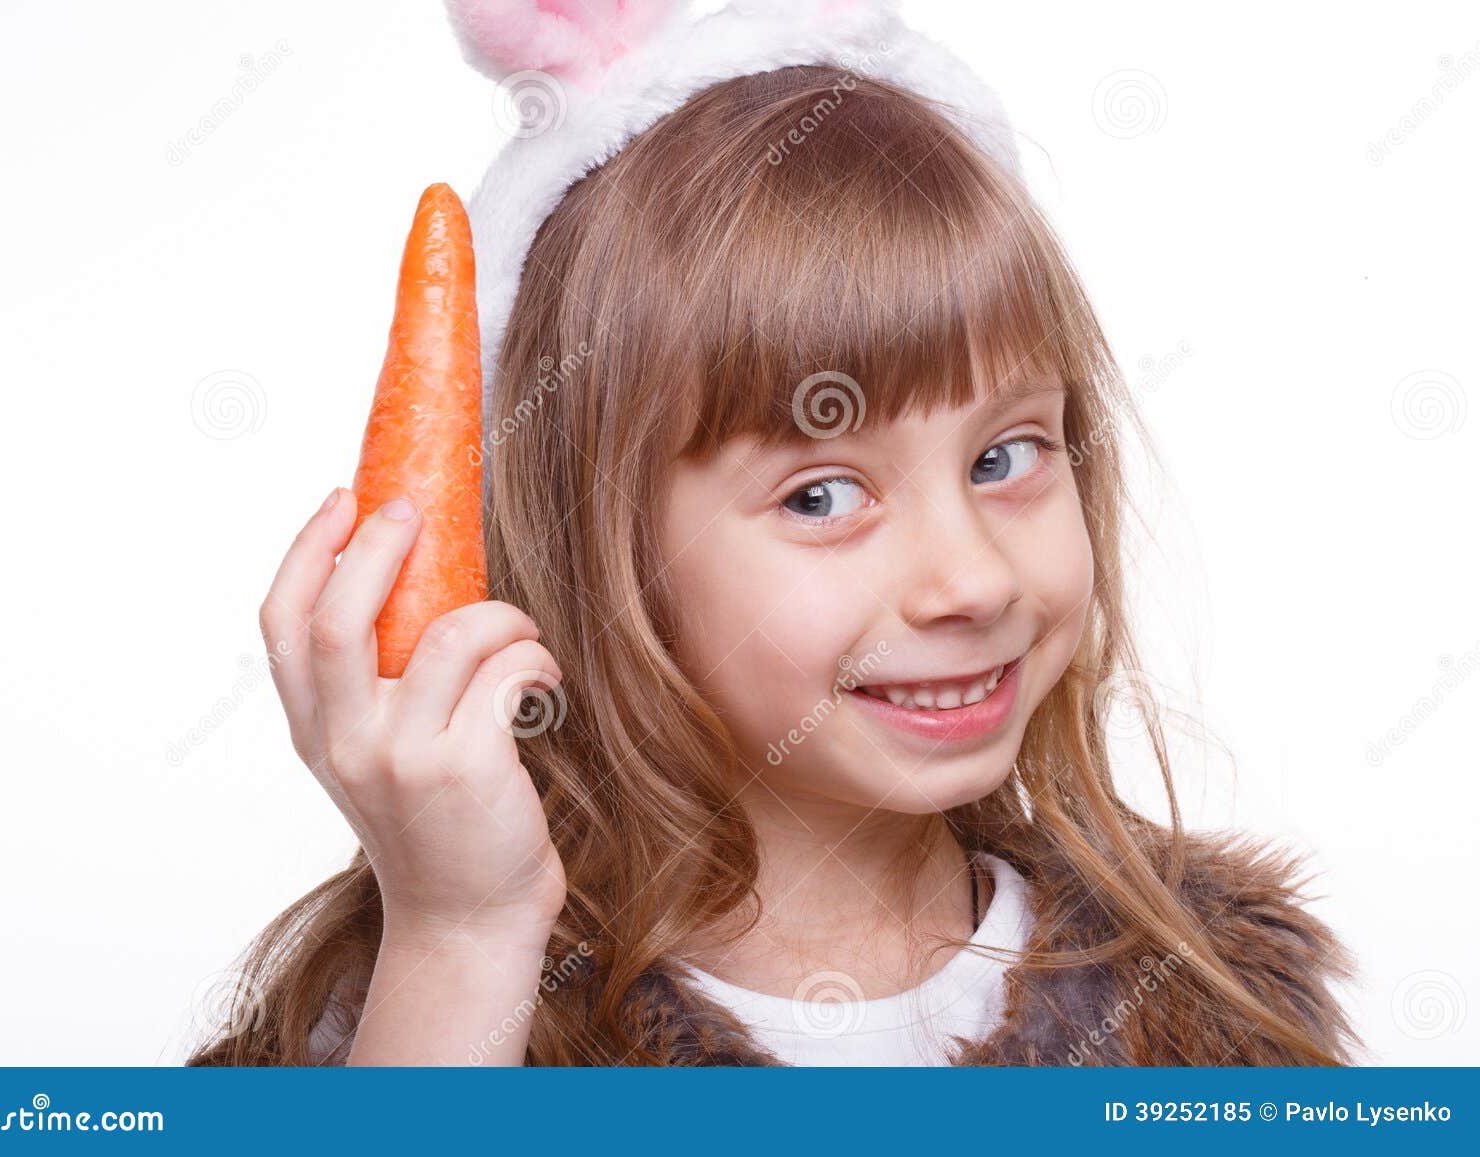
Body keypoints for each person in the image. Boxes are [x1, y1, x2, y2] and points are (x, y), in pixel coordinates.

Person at [188, 0, 1357, 1067]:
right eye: (820, 495)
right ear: (603, 556)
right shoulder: (412, 1012)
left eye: (1005, 458)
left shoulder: (1212, 1005)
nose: (971, 579)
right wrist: (459, 937)